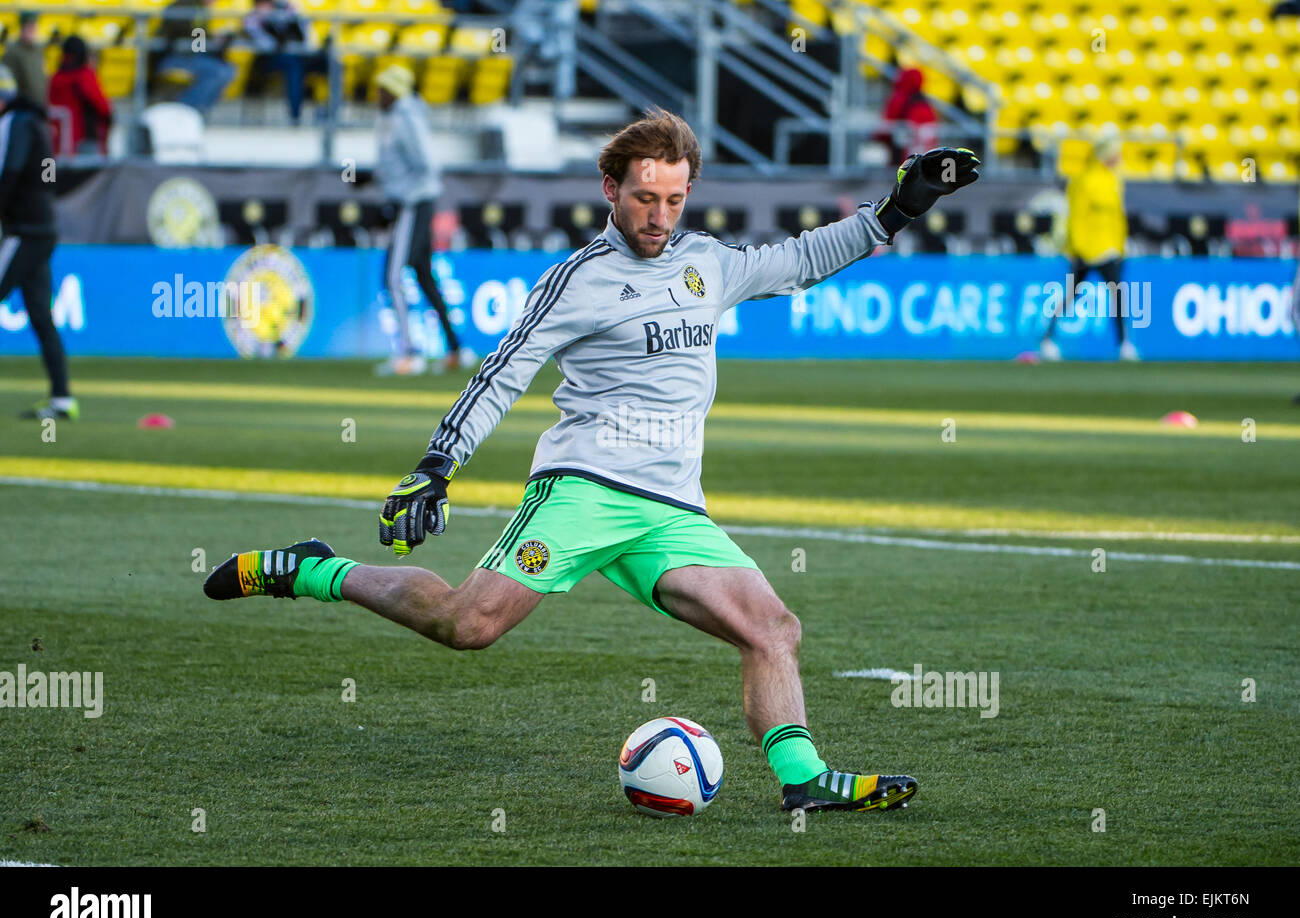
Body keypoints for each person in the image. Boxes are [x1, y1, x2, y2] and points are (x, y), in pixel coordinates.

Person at [204, 109, 980, 813]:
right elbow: (503, 372)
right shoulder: (575, 281)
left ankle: (804, 778)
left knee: (773, 625)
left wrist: (898, 208)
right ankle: (314, 569)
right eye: (646, 197)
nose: (660, 216)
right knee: (468, 624)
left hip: (673, 509)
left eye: (675, 200)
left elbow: (803, 258)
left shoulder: (707, 263)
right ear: (610, 188)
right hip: (585, 487)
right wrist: (439, 463)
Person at [372, 64, 469, 375]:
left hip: (411, 204)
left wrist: (402, 191)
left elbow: (425, 163)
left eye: (383, 90)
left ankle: (409, 353)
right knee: (424, 275)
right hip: (413, 201)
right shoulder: (396, 118)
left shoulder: (404, 118)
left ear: (395, 91)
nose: (378, 96)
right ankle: (455, 349)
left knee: (392, 276)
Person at [0, 65, 76, 421]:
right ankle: (62, 400)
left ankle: (62, 399)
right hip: (43, 230)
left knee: (41, 316)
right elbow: (46, 176)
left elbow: (11, 171)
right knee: (41, 317)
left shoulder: (15, 124)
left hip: (26, 233)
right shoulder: (37, 123)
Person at [1040, 136, 1137, 361]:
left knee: (1118, 296)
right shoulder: (1082, 180)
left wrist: (1120, 246)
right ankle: (1047, 339)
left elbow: (1116, 218)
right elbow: (1076, 217)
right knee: (1071, 295)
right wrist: (1076, 248)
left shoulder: (1113, 180)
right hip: (1086, 250)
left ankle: (1124, 344)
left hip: (1110, 249)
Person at [242, 0, 330, 124]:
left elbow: (308, 39)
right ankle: (295, 115)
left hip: (299, 55)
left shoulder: (290, 10)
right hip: (269, 60)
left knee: (329, 62)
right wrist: (267, 19)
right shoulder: (253, 17)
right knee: (293, 65)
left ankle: (329, 111)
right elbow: (264, 44)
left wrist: (293, 15)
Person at [153, 0, 237, 116]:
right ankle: (185, 111)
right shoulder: (182, 6)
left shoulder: (200, 9)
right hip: (175, 57)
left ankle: (199, 110)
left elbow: (199, 37)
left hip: (194, 56)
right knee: (217, 71)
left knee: (228, 70)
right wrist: (211, 40)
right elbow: (184, 35)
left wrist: (216, 39)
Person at [47, 36, 114, 156]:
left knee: (55, 174)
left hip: (58, 143)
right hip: (85, 140)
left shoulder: (55, 78)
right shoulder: (85, 76)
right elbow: (103, 107)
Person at [880, 66, 938, 166]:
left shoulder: (899, 99)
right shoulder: (925, 103)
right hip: (925, 156)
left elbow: (885, 127)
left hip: (902, 154)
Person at [1, 11, 45, 104]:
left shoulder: (38, 50)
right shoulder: (12, 52)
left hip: (39, 105)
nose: (31, 30)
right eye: (28, 27)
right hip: (22, 107)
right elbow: (6, 82)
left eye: (33, 26)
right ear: (21, 28)